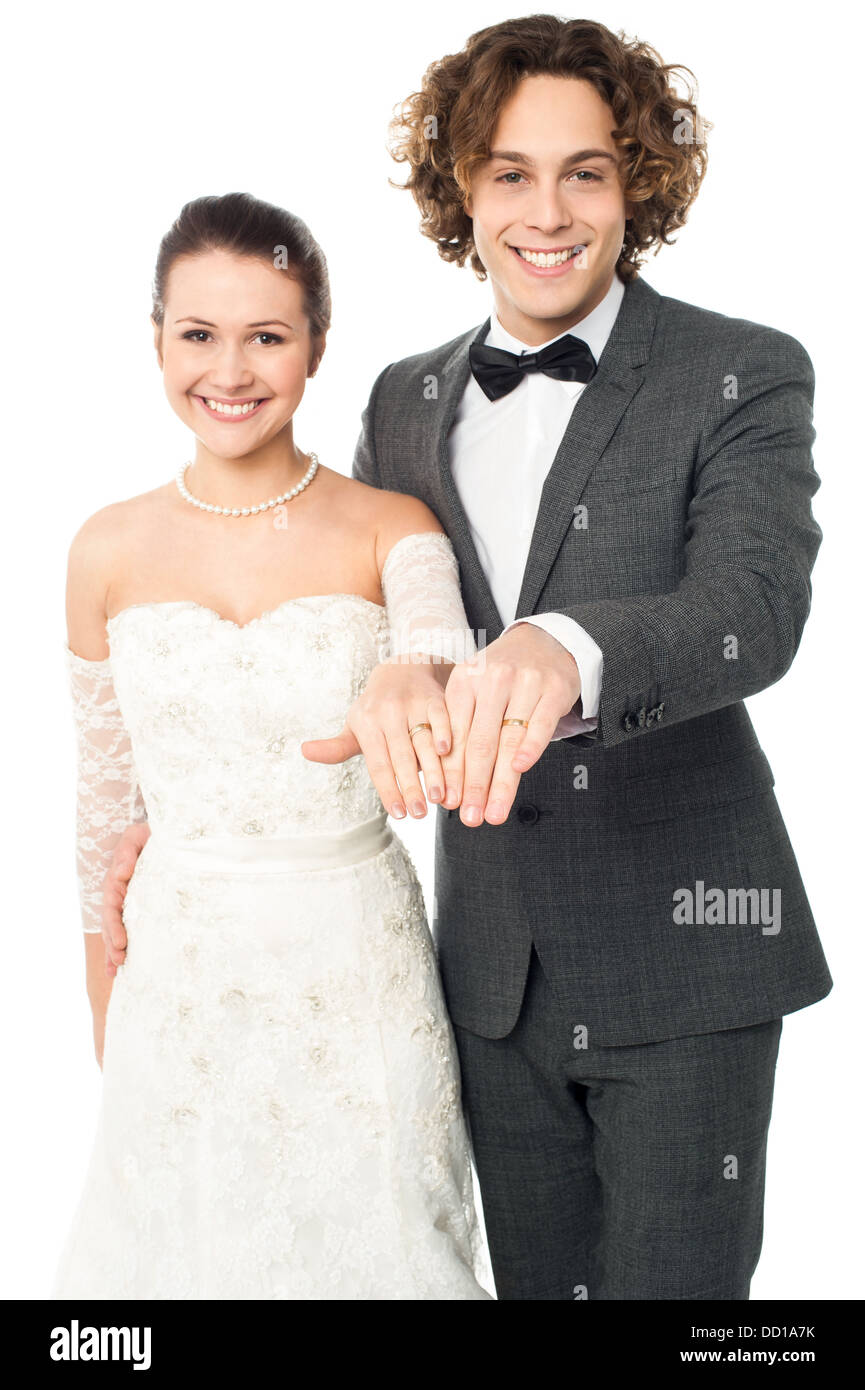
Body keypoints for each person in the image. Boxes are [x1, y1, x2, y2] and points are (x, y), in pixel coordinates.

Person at [103, 15, 833, 1300]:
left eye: (584, 171)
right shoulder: (405, 399)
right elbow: (408, 630)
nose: (544, 211)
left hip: (687, 948)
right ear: (462, 190)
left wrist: (565, 646)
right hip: (481, 975)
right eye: (508, 171)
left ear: (635, 185)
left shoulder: (741, 370)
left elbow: (756, 603)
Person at [51, 191, 492, 1300]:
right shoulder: (103, 548)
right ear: (156, 338)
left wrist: (418, 669)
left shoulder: (393, 525)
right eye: (197, 333)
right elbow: (101, 815)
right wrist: (116, 1028)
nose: (229, 369)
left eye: (266, 335)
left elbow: (440, 647)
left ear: (316, 345)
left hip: (357, 973)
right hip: (181, 992)